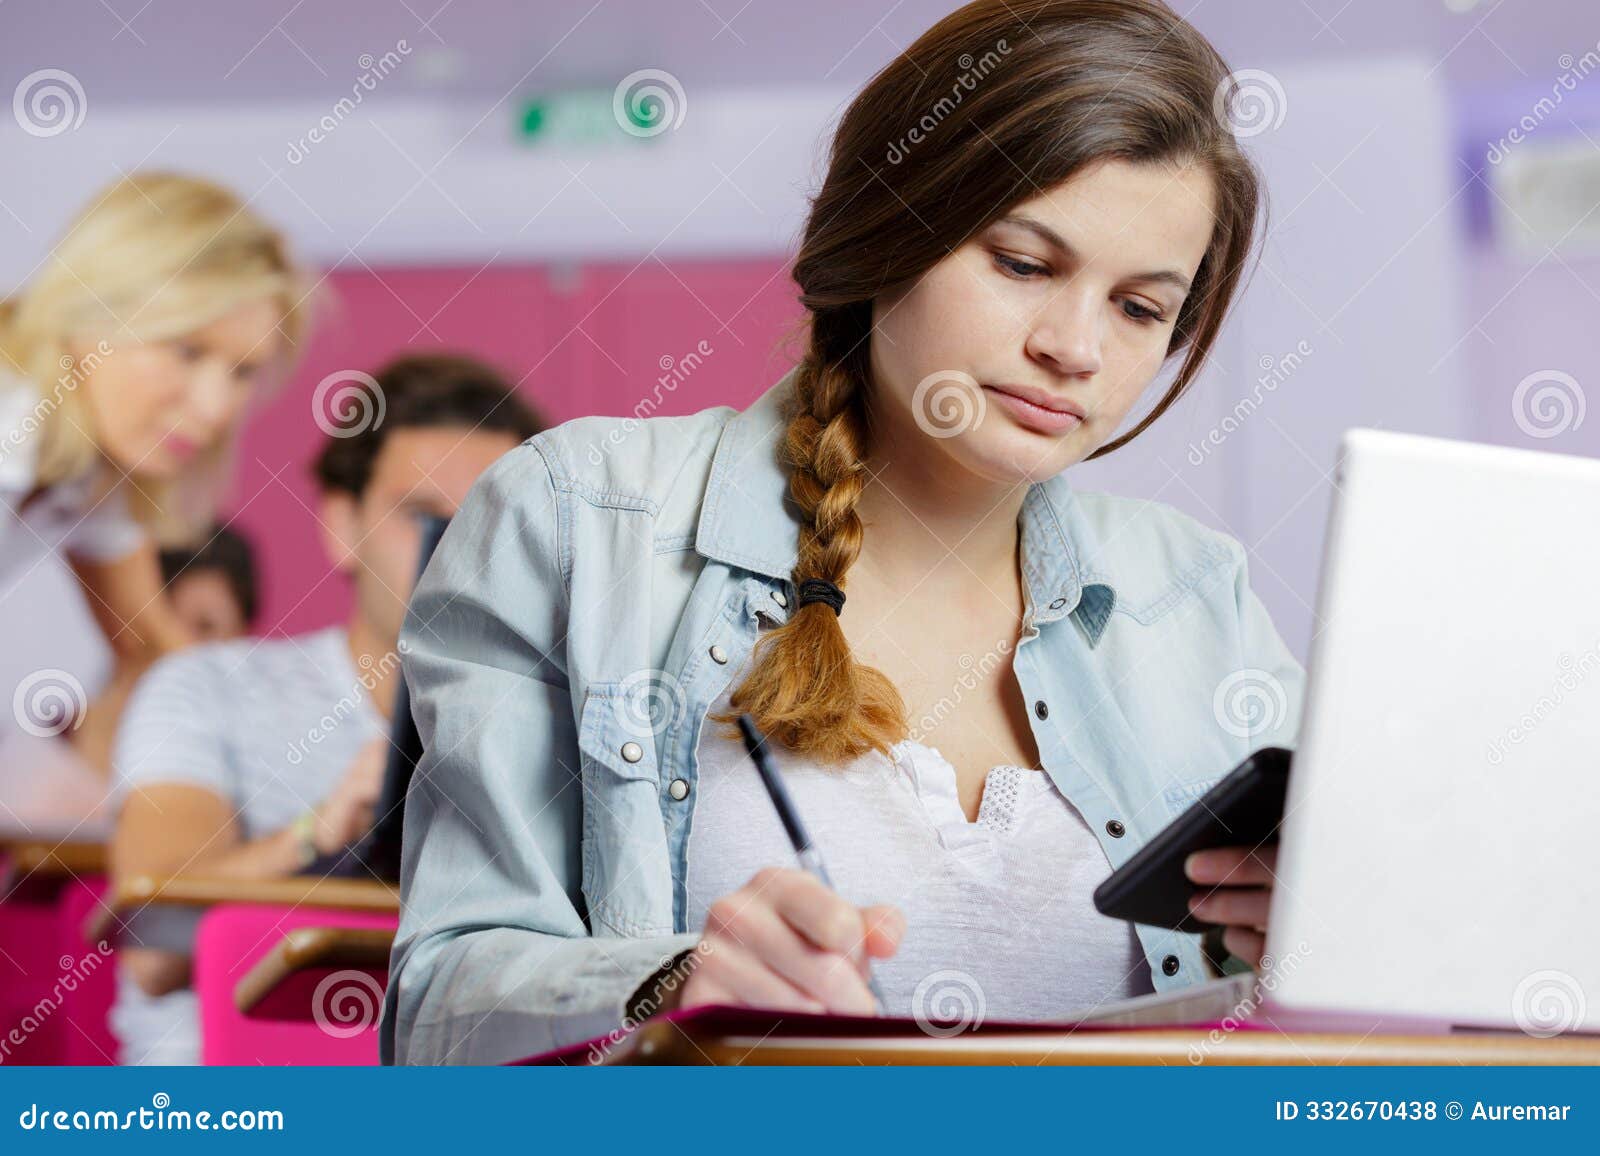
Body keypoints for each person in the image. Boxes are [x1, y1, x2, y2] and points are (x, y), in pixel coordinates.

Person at [381, 0, 1305, 1066]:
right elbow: (433, 1017)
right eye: (1021, 263)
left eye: (1141, 309)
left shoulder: (1194, 590)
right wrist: (673, 989)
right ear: (887, 231)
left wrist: (1316, 959)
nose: (1074, 348)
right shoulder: (581, 514)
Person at [107, 354, 546, 1065]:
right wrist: (323, 832)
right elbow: (152, 950)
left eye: (491, 524)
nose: (458, 556)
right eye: (423, 519)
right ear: (343, 526)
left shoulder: (555, 729)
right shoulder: (207, 688)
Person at [0, 171, 309, 741]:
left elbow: (151, 647)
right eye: (186, 350)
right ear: (86, 310)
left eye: (242, 371)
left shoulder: (90, 467)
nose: (217, 407)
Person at [66, 527, 261, 775]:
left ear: (241, 637)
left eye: (205, 627)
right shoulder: (51, 743)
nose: (178, 648)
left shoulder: (250, 768)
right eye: (165, 622)